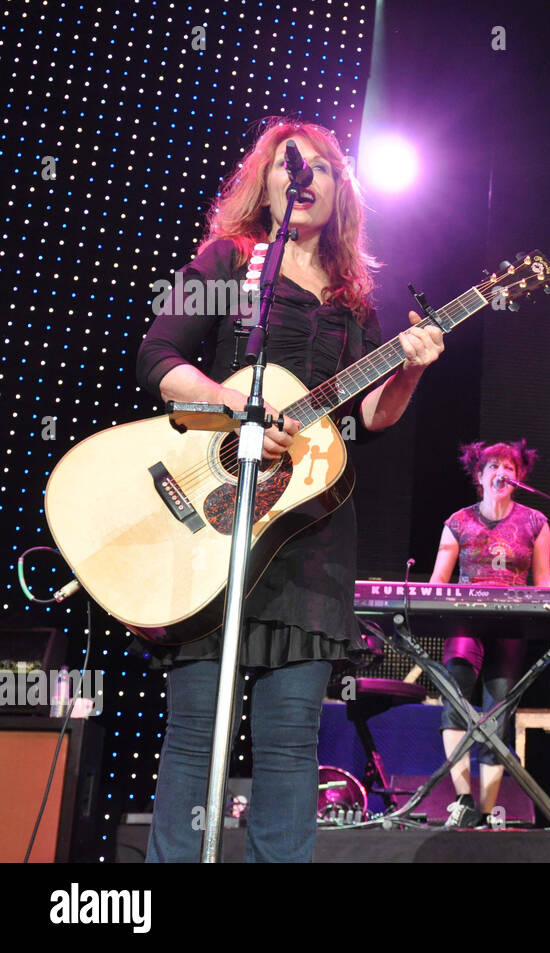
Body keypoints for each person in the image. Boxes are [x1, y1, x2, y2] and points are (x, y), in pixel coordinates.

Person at [136, 117, 445, 861]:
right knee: (194, 736)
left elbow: (367, 419)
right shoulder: (227, 262)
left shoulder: (353, 300)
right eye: (288, 164)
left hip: (310, 541)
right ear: (266, 183)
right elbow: (159, 358)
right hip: (214, 523)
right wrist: (235, 409)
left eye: (321, 169)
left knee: (288, 745)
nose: (302, 177)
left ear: (340, 193)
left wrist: (410, 370)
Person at [429, 440, 550, 827]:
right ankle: (463, 801)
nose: (502, 473)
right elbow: (437, 581)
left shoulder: (536, 522)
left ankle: (485, 813)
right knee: (455, 704)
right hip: (465, 622)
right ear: (479, 477)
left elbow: (543, 582)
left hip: (512, 625)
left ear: (519, 478)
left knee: (498, 716)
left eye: (509, 468)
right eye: (493, 467)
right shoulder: (458, 521)